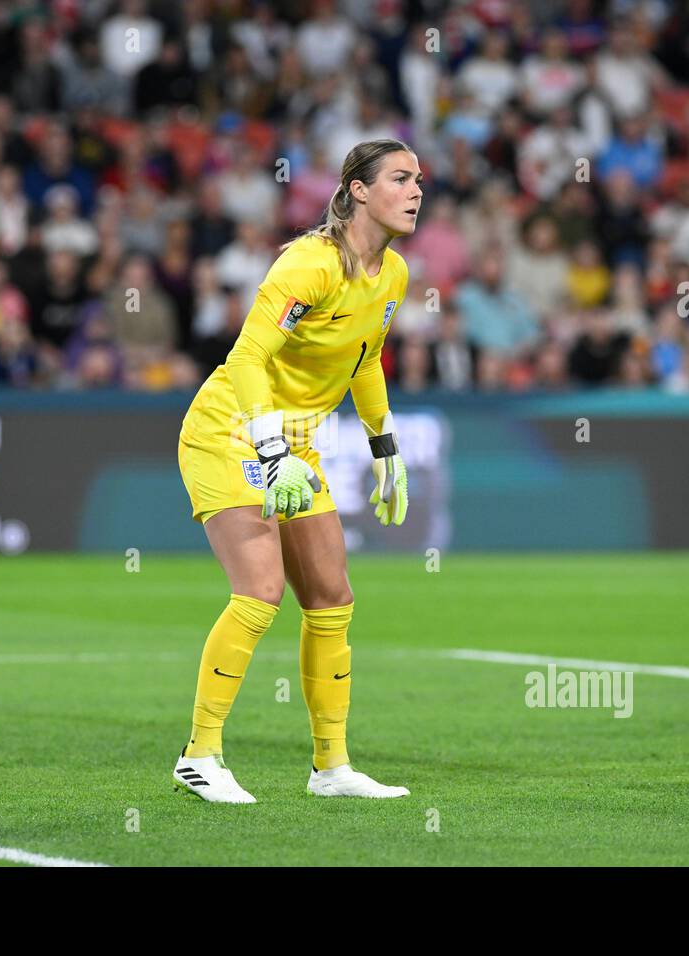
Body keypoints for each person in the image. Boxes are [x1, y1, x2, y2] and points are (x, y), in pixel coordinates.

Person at [173, 139, 419, 802]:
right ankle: (200, 754)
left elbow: (364, 362)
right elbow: (249, 358)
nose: (417, 190)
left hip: (296, 442)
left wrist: (384, 447)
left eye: (419, 178)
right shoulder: (307, 266)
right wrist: (272, 450)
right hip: (231, 431)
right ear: (360, 191)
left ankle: (331, 768)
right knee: (259, 589)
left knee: (331, 596)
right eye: (400, 178)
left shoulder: (392, 276)